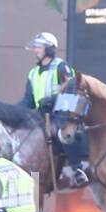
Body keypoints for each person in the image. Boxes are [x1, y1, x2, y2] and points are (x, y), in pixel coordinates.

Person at [18, 32, 88, 188]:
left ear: (48, 49)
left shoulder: (61, 67)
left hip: (60, 112)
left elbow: (71, 92)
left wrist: (51, 100)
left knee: (63, 134)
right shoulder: (33, 72)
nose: (35, 51)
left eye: (38, 47)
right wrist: (14, 111)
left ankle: (78, 170)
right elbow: (28, 99)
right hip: (40, 114)